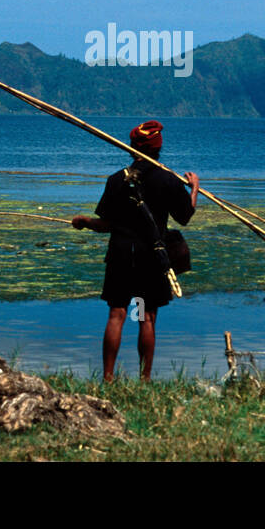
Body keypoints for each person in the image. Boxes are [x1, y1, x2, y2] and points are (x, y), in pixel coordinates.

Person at [72, 120, 200, 382]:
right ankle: (145, 379)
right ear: (158, 148)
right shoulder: (168, 180)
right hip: (152, 256)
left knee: (117, 314)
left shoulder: (117, 180)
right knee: (147, 317)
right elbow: (185, 216)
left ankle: (108, 378)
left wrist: (84, 223)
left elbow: (105, 225)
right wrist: (194, 188)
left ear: (132, 148)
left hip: (121, 253)